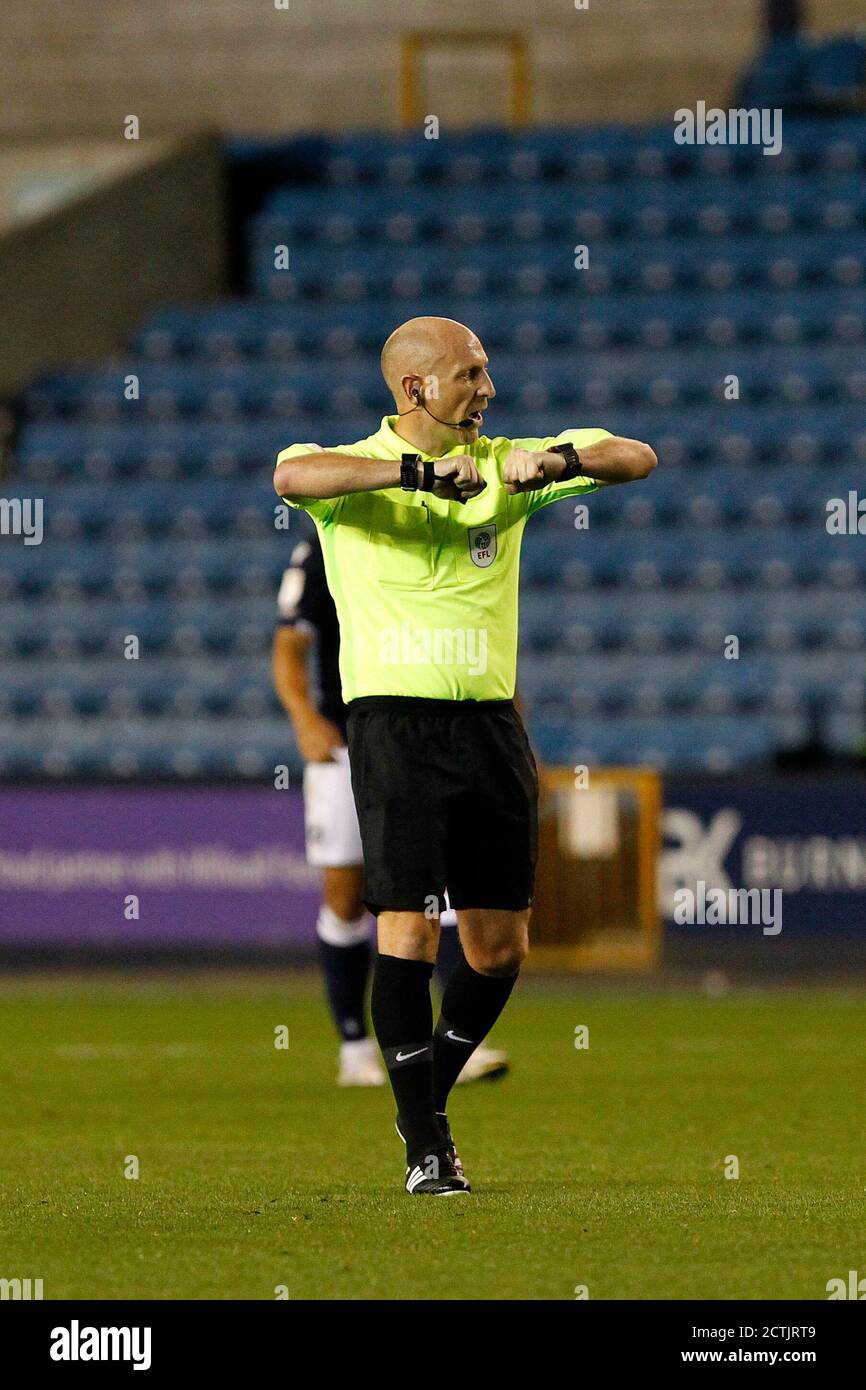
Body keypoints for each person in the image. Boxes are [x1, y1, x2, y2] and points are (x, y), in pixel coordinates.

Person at [273, 316, 656, 1195]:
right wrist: (415, 473)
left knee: (499, 951)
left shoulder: (508, 467)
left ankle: (423, 1099)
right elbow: (291, 472)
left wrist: (556, 462)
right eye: (471, 375)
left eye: (486, 373)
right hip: (394, 728)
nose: (488, 389)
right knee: (406, 929)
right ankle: (427, 1149)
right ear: (414, 390)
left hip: (491, 729)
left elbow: (636, 457)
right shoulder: (350, 475)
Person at [273, 528, 511, 1086]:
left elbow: (485, 640)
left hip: (435, 739)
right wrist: (305, 718)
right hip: (349, 740)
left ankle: (457, 1040)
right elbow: (290, 643)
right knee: (347, 893)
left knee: (449, 887)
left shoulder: (446, 529)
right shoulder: (331, 538)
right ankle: (355, 1046)